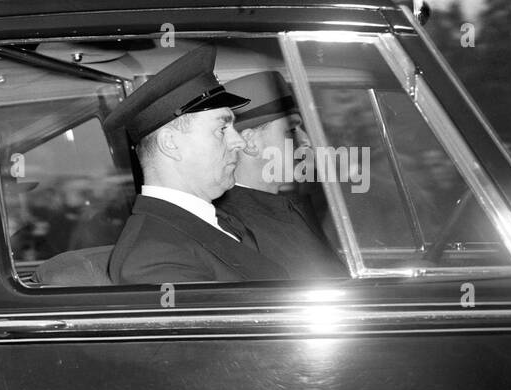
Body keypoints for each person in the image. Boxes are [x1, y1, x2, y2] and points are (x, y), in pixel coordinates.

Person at [70, 46, 285, 284]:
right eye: (222, 129)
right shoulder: (155, 258)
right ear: (170, 143)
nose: (238, 141)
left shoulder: (219, 221)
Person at [213, 71, 349, 279]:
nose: (306, 141)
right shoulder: (229, 226)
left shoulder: (285, 207)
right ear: (250, 143)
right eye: (291, 131)